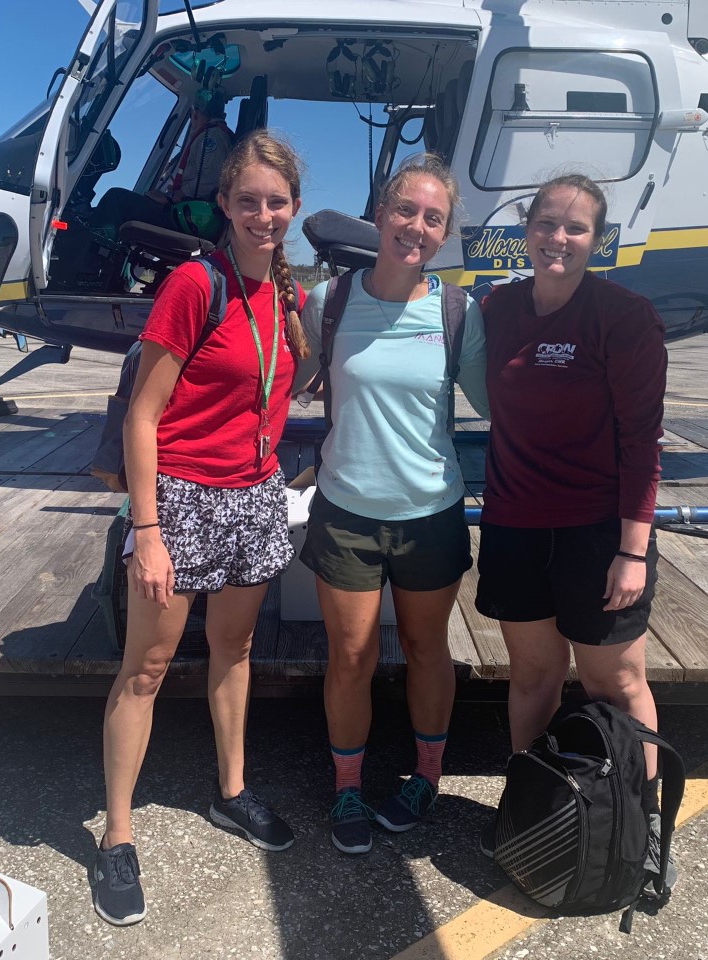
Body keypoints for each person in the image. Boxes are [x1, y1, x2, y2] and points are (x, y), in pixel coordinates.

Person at [92, 129, 309, 926]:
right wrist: (146, 531)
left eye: (276, 201)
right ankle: (118, 834)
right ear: (224, 204)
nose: (263, 214)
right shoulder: (195, 283)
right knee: (145, 669)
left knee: (237, 649)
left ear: (293, 208)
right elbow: (142, 417)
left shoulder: (289, 294)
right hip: (181, 500)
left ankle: (232, 791)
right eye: (247, 200)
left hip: (253, 496)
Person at [474, 173, 671, 891]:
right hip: (517, 525)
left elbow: (643, 442)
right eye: (546, 224)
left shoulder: (622, 315)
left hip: (597, 533)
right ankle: (531, 807)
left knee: (614, 684)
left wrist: (633, 548)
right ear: (525, 231)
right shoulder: (497, 309)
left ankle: (638, 825)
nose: (558, 238)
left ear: (598, 239)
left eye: (576, 228)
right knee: (531, 678)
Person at [293, 154, 489, 855]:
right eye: (406, 211)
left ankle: (425, 777)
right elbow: (291, 379)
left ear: (443, 234)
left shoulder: (458, 312)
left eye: (432, 218)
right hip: (346, 509)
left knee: (424, 649)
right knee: (349, 656)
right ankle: (347, 786)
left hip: (430, 512)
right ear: (379, 213)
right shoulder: (329, 303)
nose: (416, 226)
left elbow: (501, 407)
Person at [91, 86, 233, 238]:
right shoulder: (213, 135)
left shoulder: (211, 138)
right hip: (189, 212)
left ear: (195, 114)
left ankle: (93, 253)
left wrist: (170, 198)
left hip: (190, 216)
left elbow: (208, 182)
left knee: (116, 199)